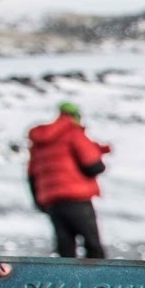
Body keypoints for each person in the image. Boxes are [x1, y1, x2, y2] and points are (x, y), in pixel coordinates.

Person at [27, 102, 112, 259]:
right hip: (77, 198)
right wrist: (97, 153)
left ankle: (65, 281)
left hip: (53, 202)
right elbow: (93, 166)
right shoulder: (73, 133)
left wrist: (40, 202)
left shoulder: (40, 142)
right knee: (93, 246)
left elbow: (32, 175)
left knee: (65, 248)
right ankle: (97, 281)